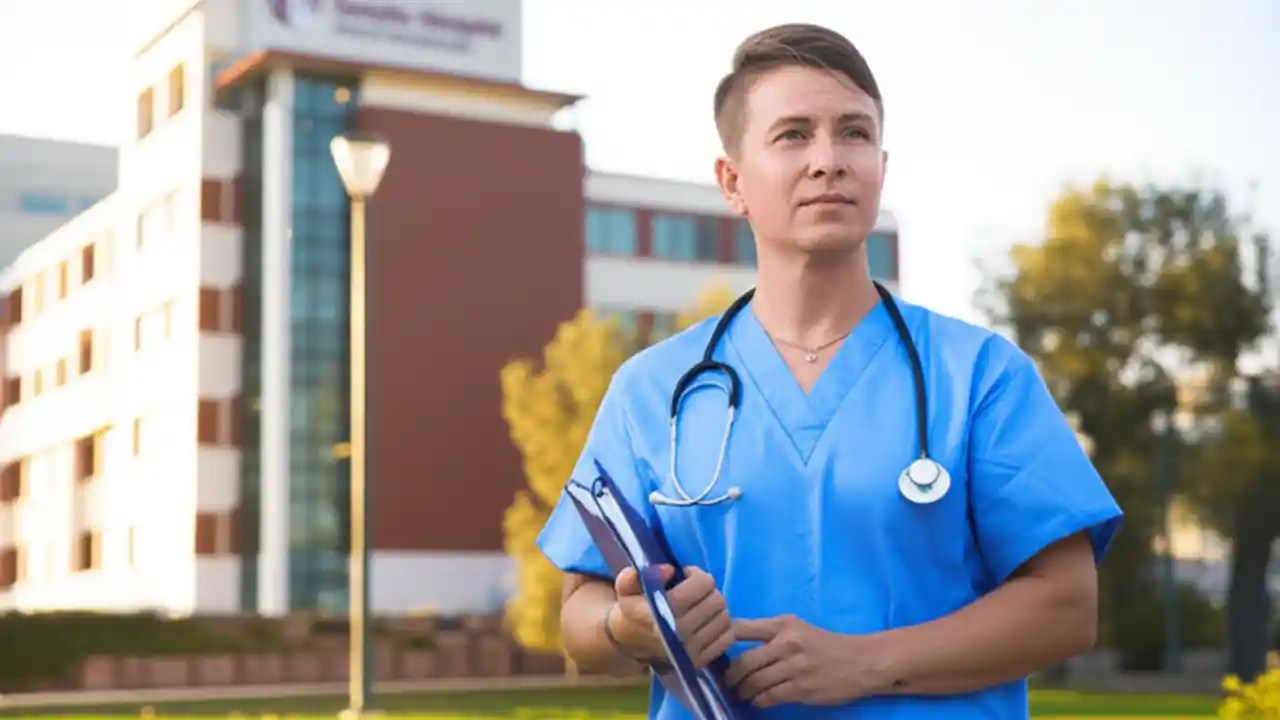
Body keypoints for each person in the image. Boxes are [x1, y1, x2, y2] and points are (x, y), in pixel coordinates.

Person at [536, 22, 1123, 720]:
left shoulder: (980, 377)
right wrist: (625, 629)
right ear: (732, 181)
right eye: (792, 135)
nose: (828, 160)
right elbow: (581, 612)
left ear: (880, 164)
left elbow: (1066, 606)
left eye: (853, 133)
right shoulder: (652, 389)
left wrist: (869, 664)